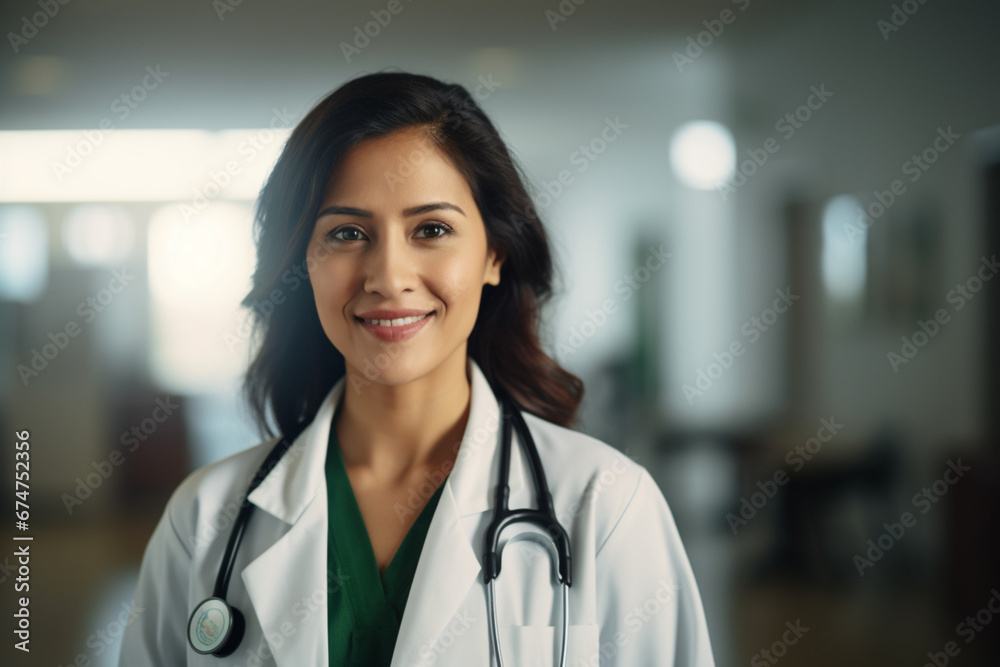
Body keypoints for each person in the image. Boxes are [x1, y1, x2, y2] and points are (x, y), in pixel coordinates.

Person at [118, 70, 715, 666]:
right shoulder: (206, 518)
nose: (388, 277)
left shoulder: (606, 505)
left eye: (432, 229)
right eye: (347, 233)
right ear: (304, 263)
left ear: (494, 254)